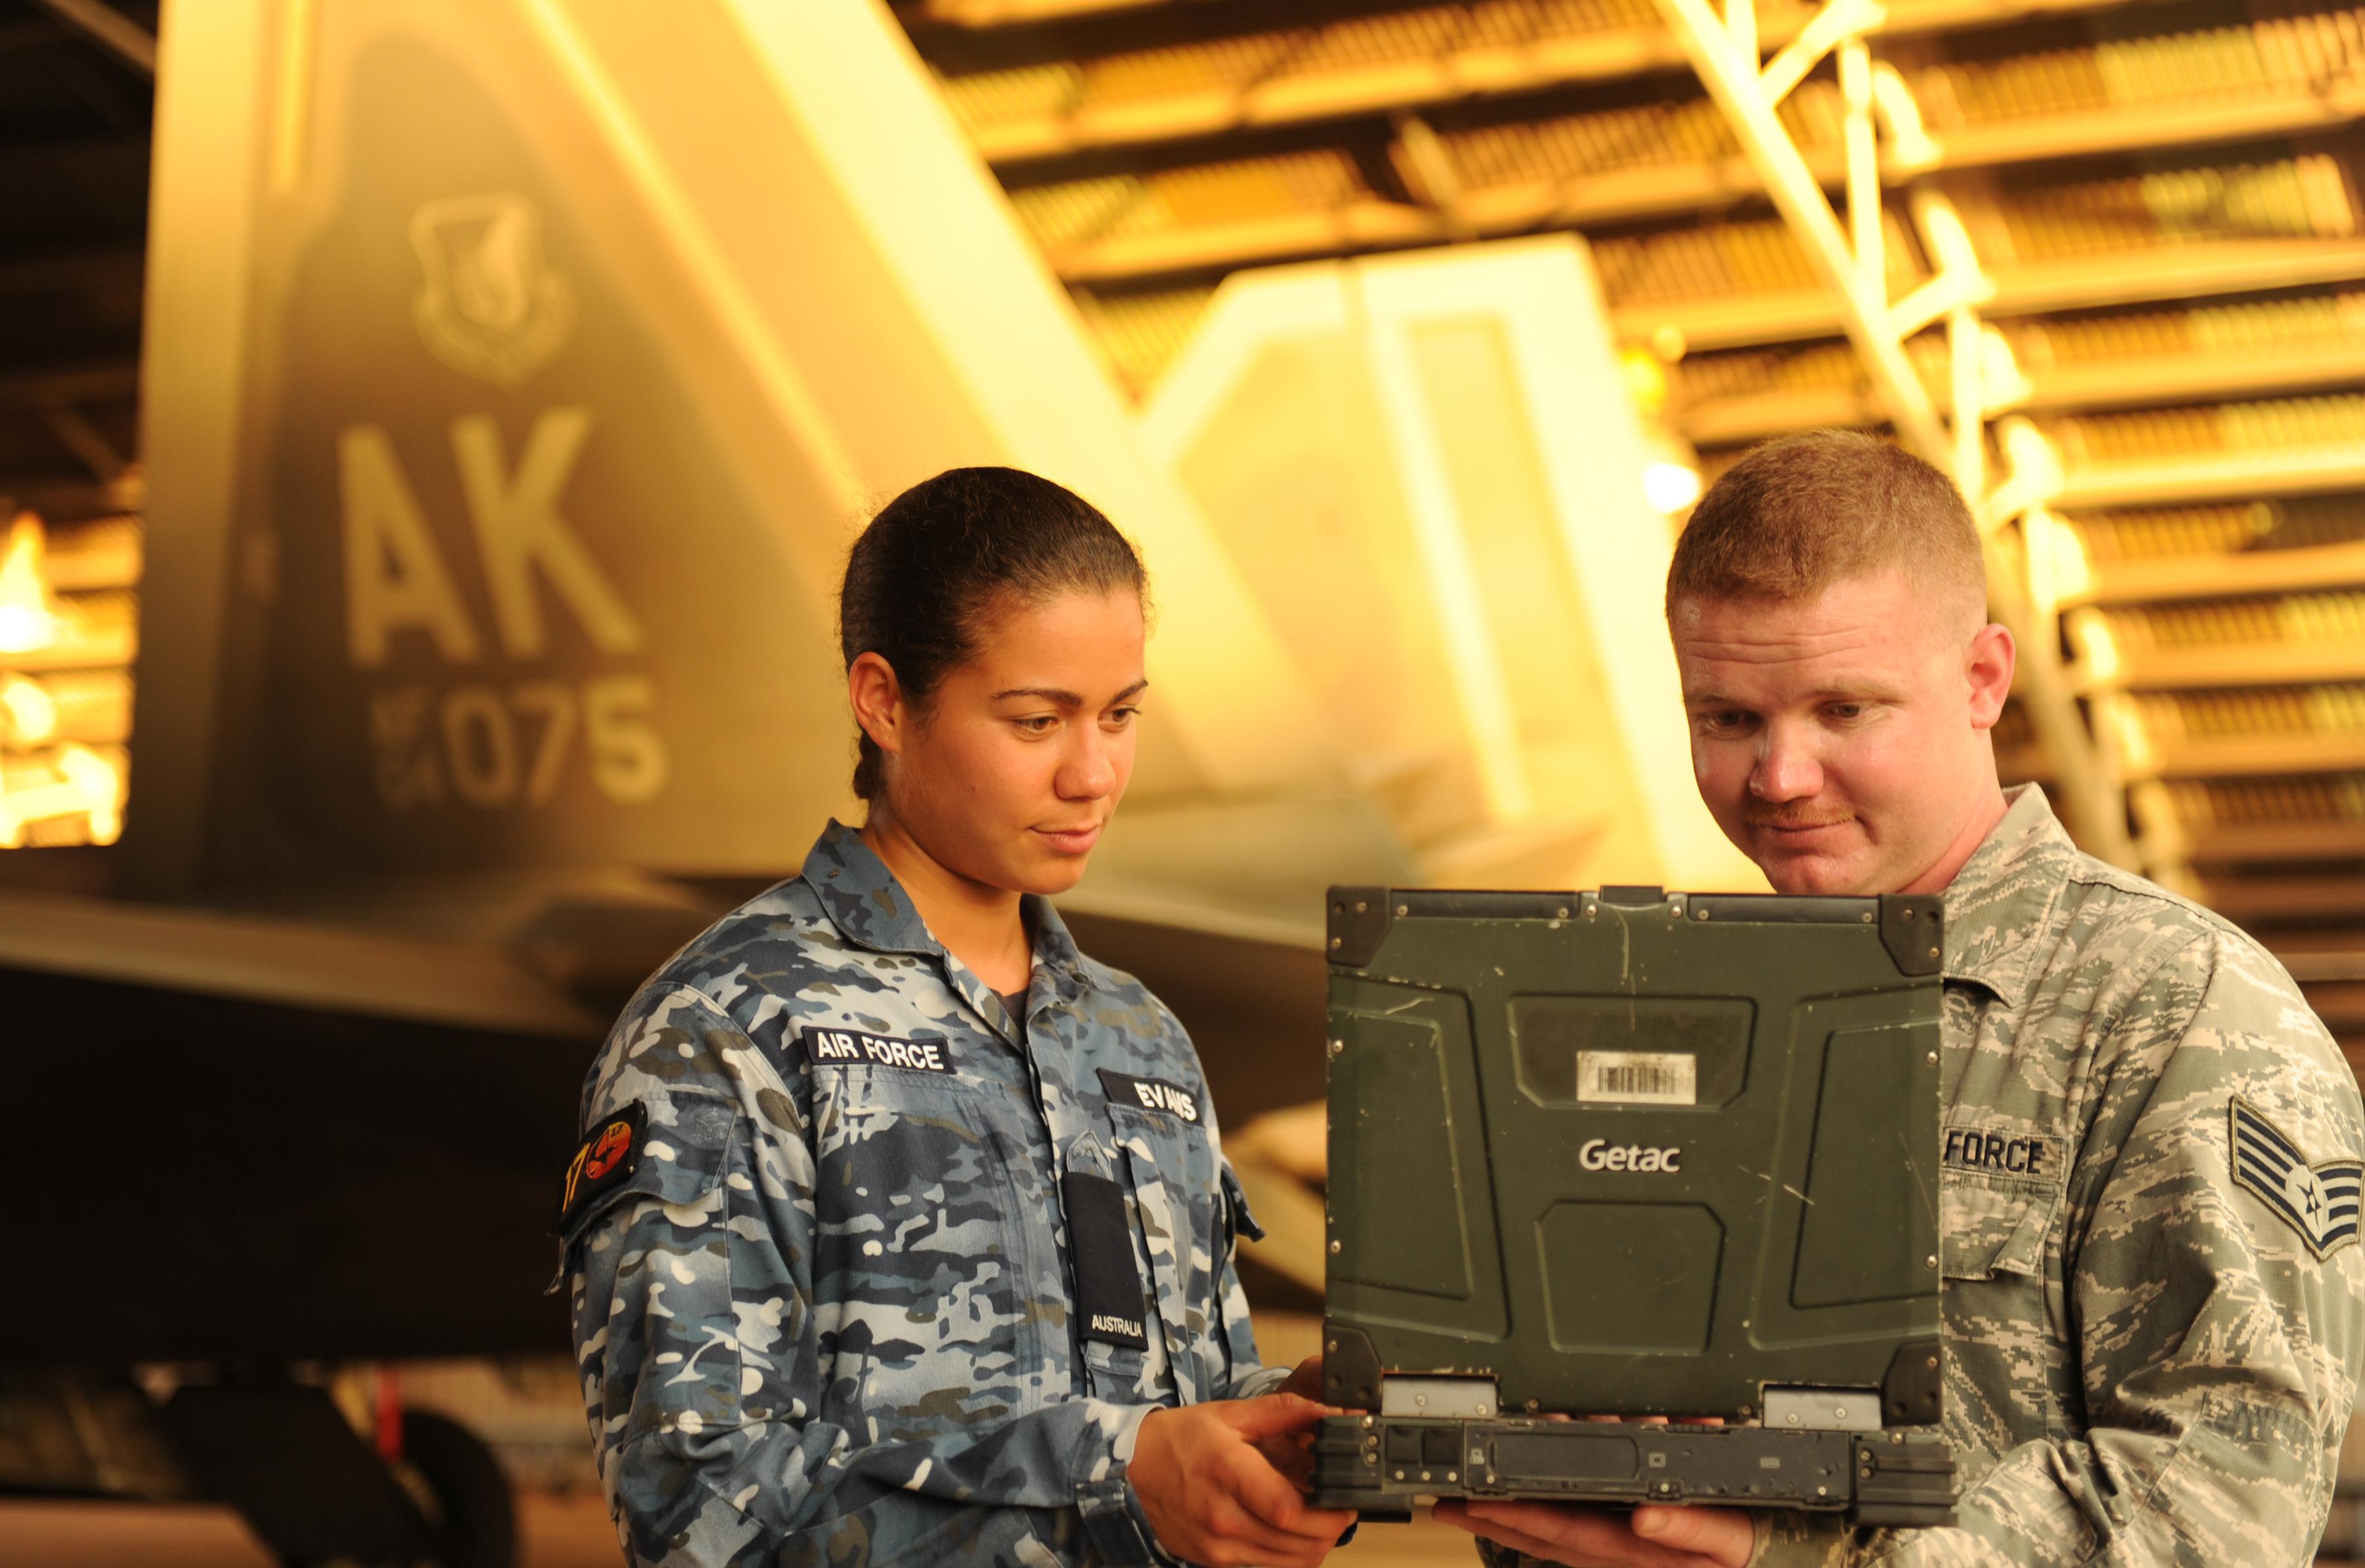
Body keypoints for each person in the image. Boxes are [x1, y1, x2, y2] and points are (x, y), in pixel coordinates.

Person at [1437, 430, 2365, 1567]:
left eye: (1843, 711)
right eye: (1728, 719)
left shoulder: (2180, 1015)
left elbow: (2225, 1507)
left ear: (1983, 679)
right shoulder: (1670, 1018)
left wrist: (1805, 1557)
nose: (1778, 779)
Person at [558, 467, 1355, 1568]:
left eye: (1121, 716)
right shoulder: (725, 1035)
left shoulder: (1138, 1038)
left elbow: (1173, 1406)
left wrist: (1290, 1424)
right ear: (883, 700)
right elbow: (700, 1514)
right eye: (1036, 721)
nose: (1093, 775)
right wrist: (1114, 1482)